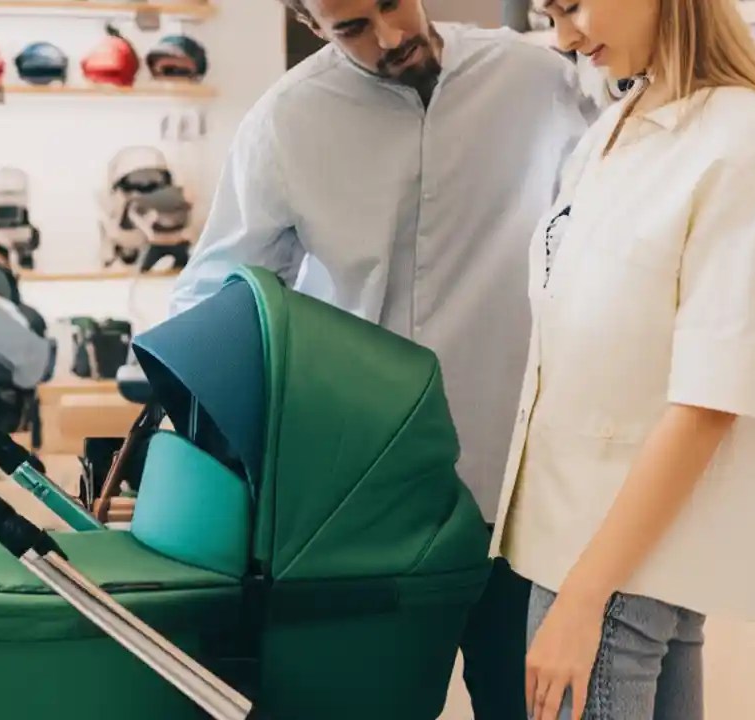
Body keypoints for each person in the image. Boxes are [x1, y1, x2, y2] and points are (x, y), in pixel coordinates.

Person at [167, 1, 595, 717]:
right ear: (313, 27)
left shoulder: (537, 79)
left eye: (392, 4)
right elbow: (213, 300)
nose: (391, 38)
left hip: (523, 498)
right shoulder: (287, 122)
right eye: (352, 28)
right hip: (366, 512)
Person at [488, 1, 755, 719]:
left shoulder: (748, 151)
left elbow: (711, 402)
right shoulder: (618, 125)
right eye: (548, 13)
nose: (562, 36)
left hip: (612, 563)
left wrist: (586, 596)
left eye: (572, 6)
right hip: (580, 541)